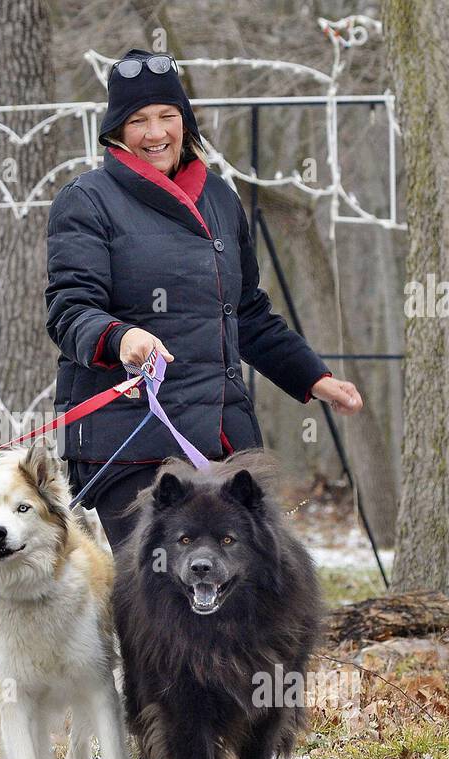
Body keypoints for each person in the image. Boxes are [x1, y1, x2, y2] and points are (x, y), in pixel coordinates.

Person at [45, 48, 363, 552]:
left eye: (167, 117)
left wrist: (314, 377)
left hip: (223, 436)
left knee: (244, 592)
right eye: (138, 120)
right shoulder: (87, 200)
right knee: (161, 599)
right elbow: (70, 310)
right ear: (115, 133)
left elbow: (247, 313)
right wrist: (121, 337)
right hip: (132, 439)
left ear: (185, 123)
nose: (155, 133)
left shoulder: (219, 198)